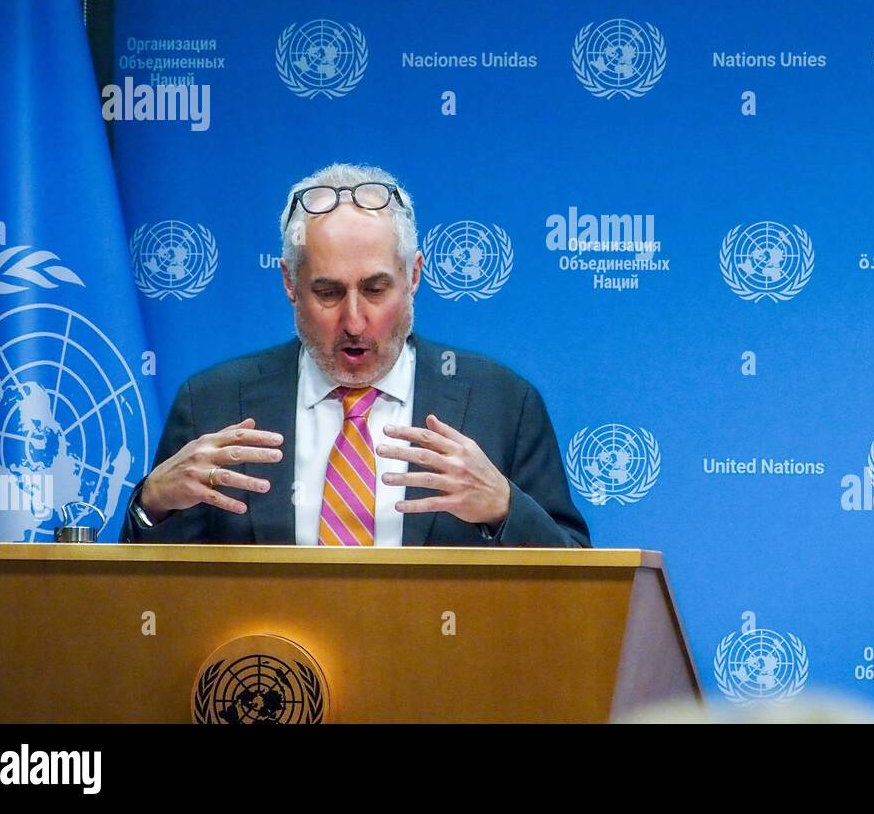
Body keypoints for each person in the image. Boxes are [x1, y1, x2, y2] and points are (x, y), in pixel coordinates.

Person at [120, 162, 590, 548]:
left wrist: (505, 507)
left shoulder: (503, 404)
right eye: (327, 292)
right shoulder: (213, 403)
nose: (354, 322)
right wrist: (152, 504)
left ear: (414, 277)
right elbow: (156, 596)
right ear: (289, 283)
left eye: (375, 288)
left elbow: (578, 583)